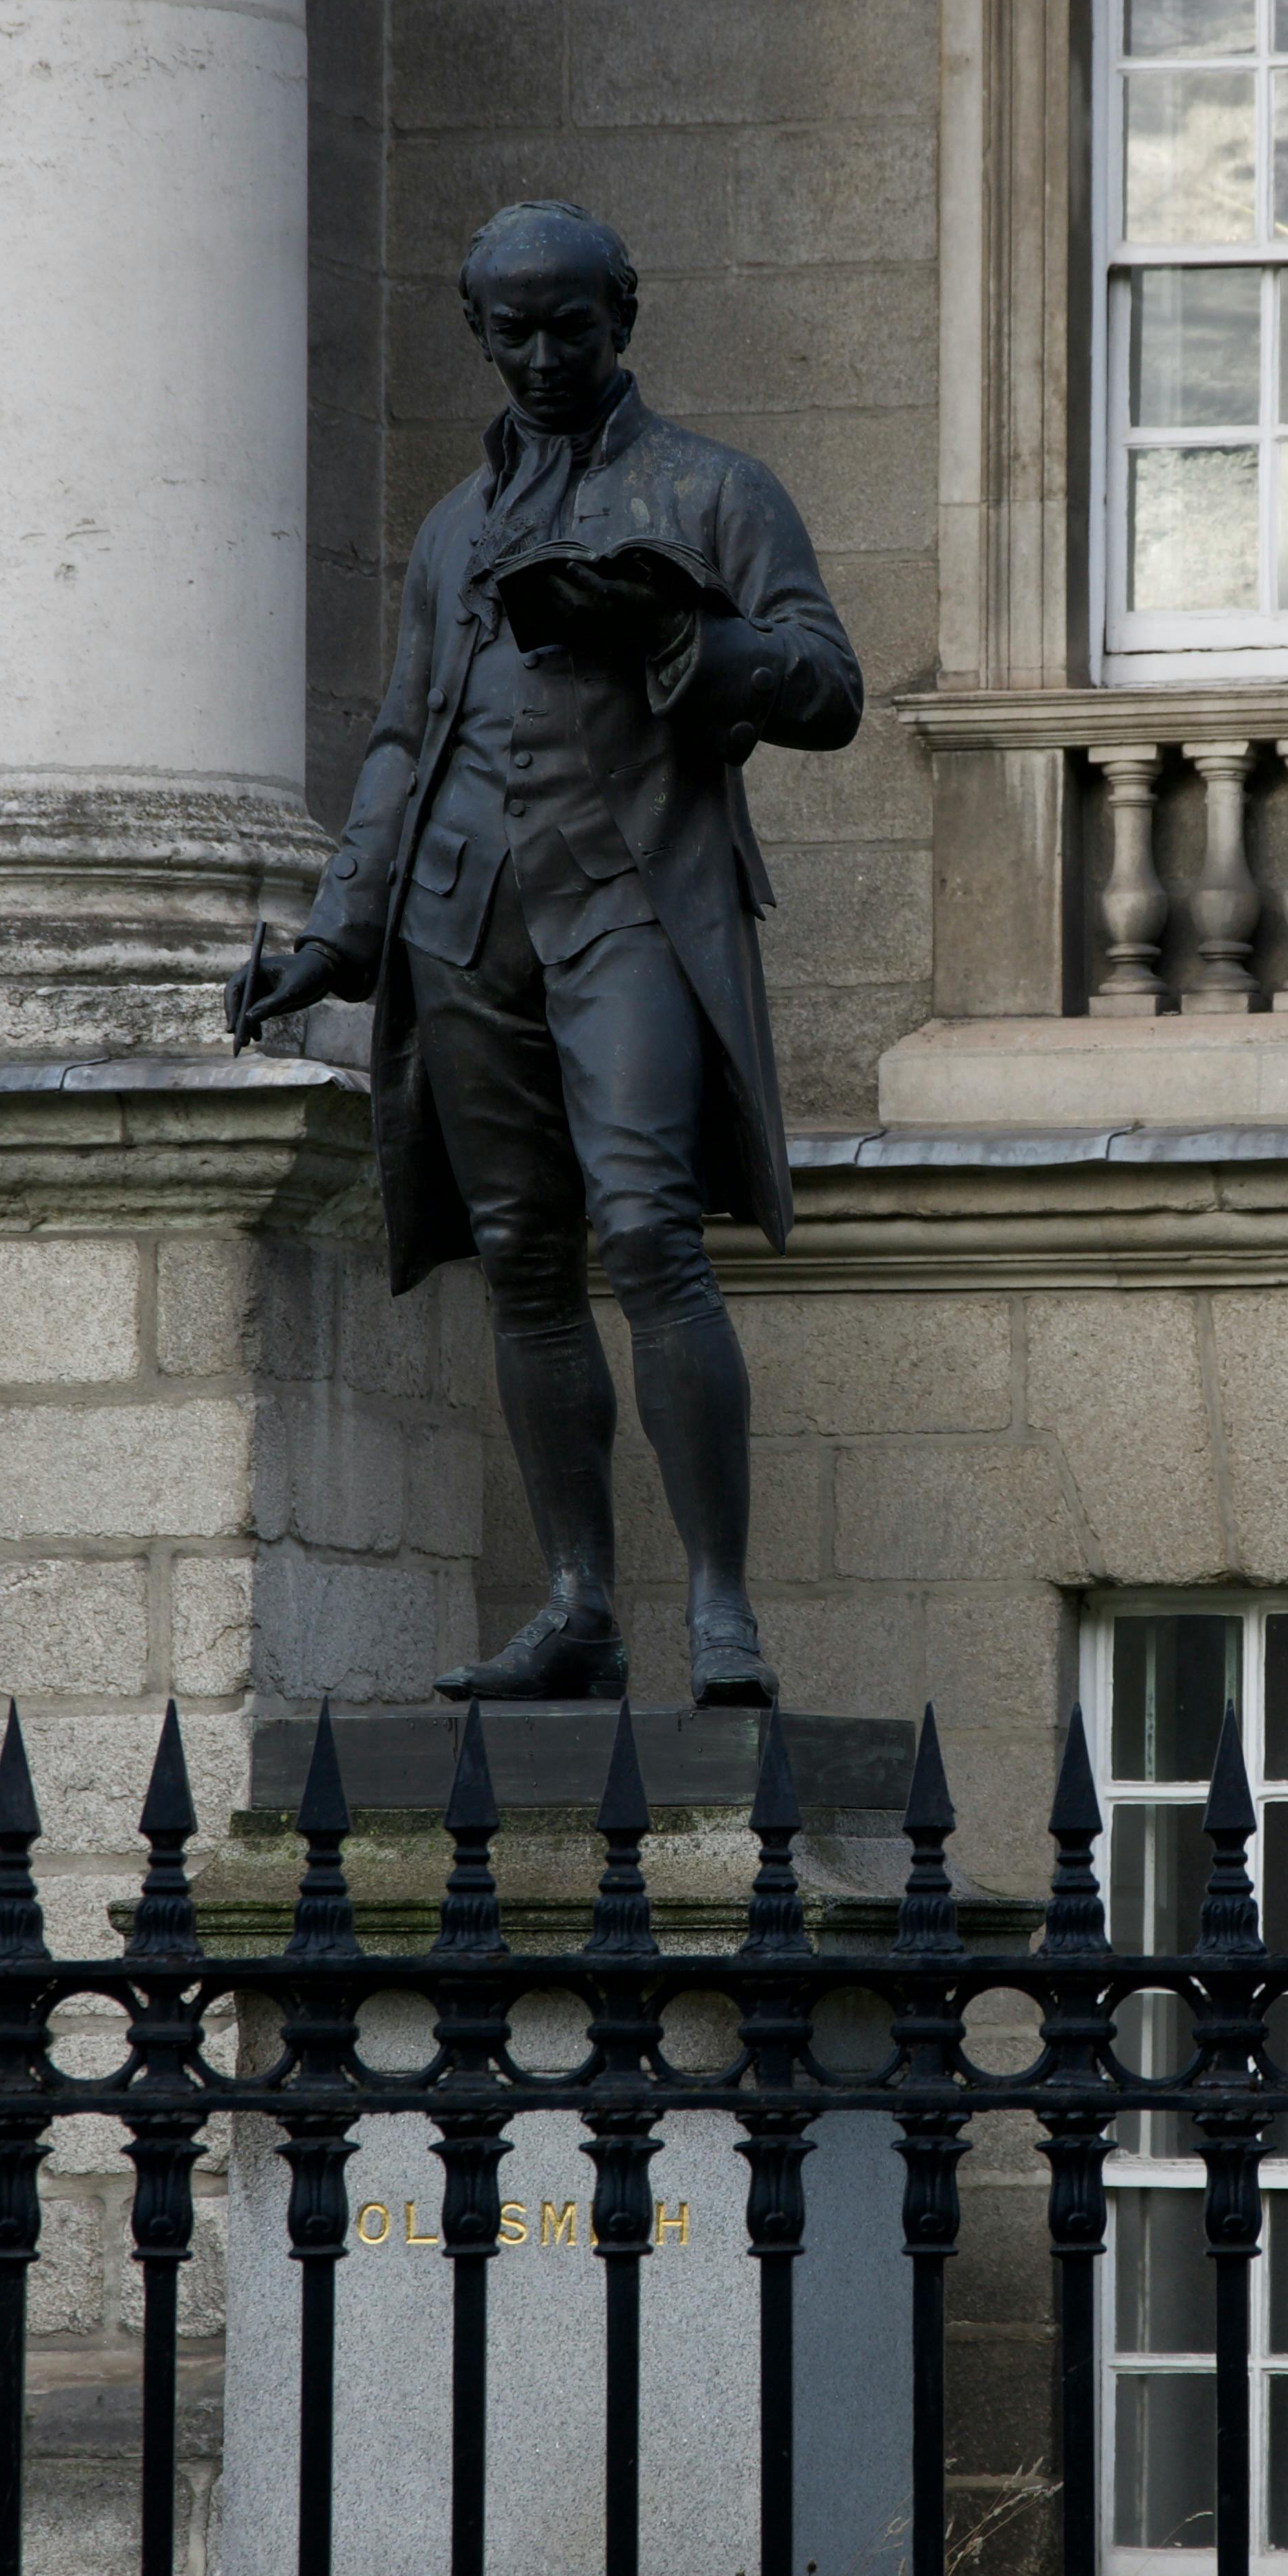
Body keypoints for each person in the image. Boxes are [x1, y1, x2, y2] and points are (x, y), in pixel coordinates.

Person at [228, 200, 861, 1705]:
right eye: (508, 330)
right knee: (520, 1253)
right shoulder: (455, 528)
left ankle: (720, 1610)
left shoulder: (713, 487)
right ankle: (578, 1603)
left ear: (621, 318)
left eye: (567, 325)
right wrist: (334, 935)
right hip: (460, 914)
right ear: (477, 331)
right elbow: (403, 740)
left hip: (626, 894)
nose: (539, 355)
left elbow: (826, 683)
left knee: (644, 1228)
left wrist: (693, 647)